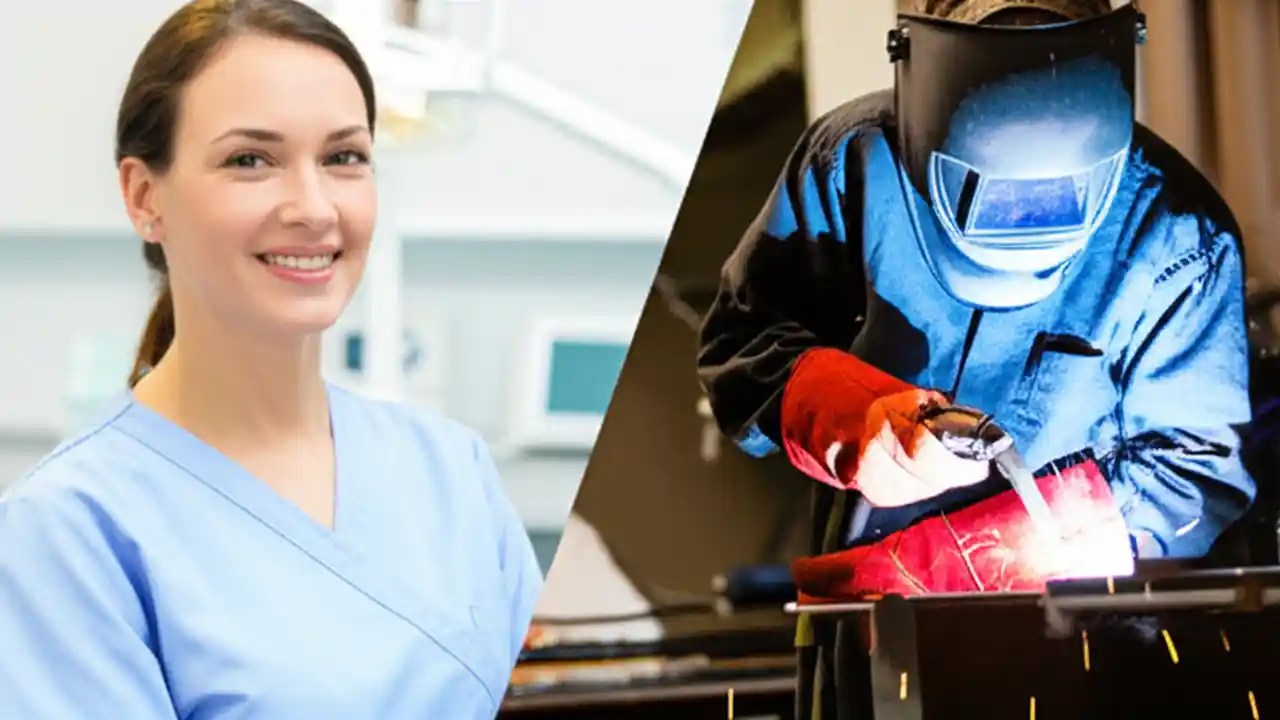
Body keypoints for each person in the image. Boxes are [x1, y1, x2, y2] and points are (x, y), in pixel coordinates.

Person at [698, 0, 1255, 716]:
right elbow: (740, 342)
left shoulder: (1176, 235)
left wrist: (975, 557)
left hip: (1081, 648)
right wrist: (852, 418)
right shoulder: (852, 167)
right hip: (870, 635)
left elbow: (1195, 473)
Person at [0, 2, 541, 717]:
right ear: (143, 196)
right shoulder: (68, 531)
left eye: (343, 157)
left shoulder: (452, 473)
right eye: (250, 160)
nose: (314, 207)